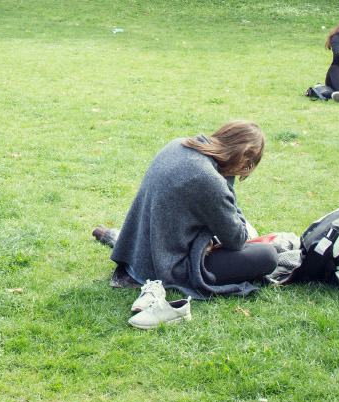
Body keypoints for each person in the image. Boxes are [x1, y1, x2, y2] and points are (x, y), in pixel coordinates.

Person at [91, 122, 277, 300]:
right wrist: (228, 179)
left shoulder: (178, 144)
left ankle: (115, 237)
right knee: (268, 255)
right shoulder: (210, 181)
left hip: (137, 251)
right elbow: (236, 239)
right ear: (244, 160)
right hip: (165, 267)